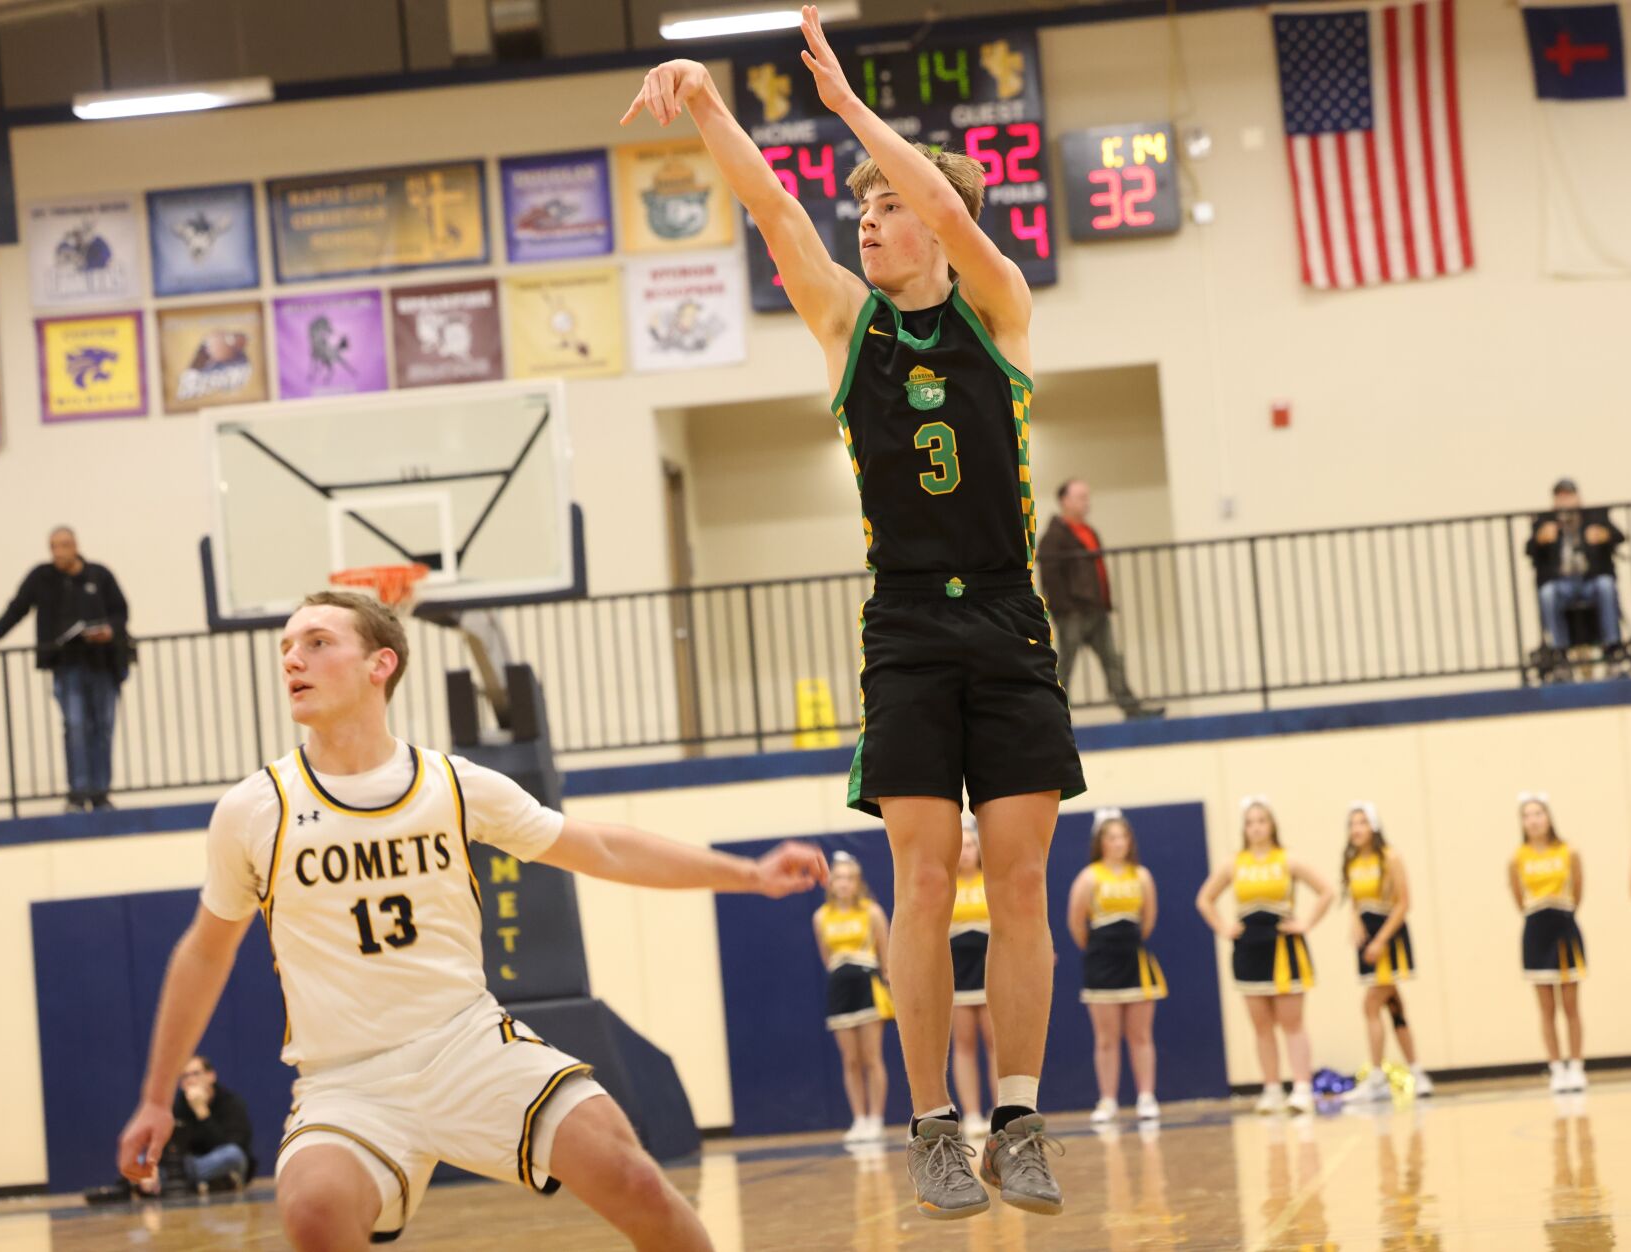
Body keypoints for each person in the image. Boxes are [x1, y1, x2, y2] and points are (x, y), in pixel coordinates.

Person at [620, 8, 1085, 1220]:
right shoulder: (846, 324)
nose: (865, 220)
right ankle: (934, 1125)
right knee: (924, 880)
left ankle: (1020, 1119)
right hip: (907, 628)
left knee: (1024, 878)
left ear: (934, 222)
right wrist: (714, 106)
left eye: (884, 206)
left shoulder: (998, 312)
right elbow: (774, 211)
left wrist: (849, 115)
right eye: (862, 208)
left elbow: (939, 203)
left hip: (1007, 618)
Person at [116, 591, 828, 1251]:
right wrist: (156, 1096)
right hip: (346, 1081)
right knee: (312, 1211)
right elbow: (204, 954)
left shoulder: (453, 785)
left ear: (379, 664)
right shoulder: (253, 810)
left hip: (469, 1048)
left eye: (316, 641)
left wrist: (748, 874)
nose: (292, 659)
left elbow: (602, 846)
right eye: (286, 647)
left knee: (632, 1175)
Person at [1195, 797, 1334, 1115]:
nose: (1256, 827)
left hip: (1284, 947)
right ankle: (1271, 1088)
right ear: (1245, 828)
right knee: (1261, 1025)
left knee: (1293, 1022)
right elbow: (1205, 899)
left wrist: (1306, 923)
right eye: (1250, 822)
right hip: (1248, 949)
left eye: (1262, 820)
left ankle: (1301, 1088)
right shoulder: (1234, 864)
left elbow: (1326, 891)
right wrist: (1223, 927)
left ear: (1272, 825)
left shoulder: (1288, 860)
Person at [0, 526, 130, 811]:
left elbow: (121, 611)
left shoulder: (99, 575)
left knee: (102, 727)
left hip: (102, 664)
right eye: (54, 546)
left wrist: (110, 631)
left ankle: (100, 794)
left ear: (76, 545)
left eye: (64, 545)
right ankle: (78, 793)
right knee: (75, 726)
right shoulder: (42, 577)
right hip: (67, 666)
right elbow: (18, 608)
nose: (59, 552)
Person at [1066, 808, 1166, 1124]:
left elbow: (1148, 920)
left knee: (1140, 1035)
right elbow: (1076, 924)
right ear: (1101, 841)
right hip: (1101, 963)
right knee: (1106, 1038)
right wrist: (1099, 948)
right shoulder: (1089, 876)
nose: (1118, 842)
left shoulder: (1142, 876)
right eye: (1111, 837)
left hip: (1135, 960)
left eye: (1123, 836)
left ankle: (1146, 1097)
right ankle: (1108, 1100)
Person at [1036, 481, 1163, 720]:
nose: (1087, 502)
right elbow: (1051, 577)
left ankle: (1131, 709)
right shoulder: (1054, 536)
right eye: (1081, 497)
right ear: (1065, 501)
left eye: (1087, 497)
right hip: (1073, 613)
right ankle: (1054, 713)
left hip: (1096, 610)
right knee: (1066, 664)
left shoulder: (1088, 531)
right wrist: (1063, 609)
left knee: (1112, 660)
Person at [1336, 803, 1432, 1103]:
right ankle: (1417, 1073)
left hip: (1389, 937)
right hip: (1367, 938)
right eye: (1352, 824)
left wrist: (1380, 941)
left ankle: (1377, 1078)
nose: (1357, 829)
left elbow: (1404, 903)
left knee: (1370, 1005)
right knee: (1394, 1006)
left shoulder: (1390, 857)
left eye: (1362, 822)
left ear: (1374, 826)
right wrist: (1354, 924)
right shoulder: (1351, 861)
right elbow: (1354, 899)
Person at [1508, 792, 1587, 1094]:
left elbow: (1578, 890)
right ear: (1522, 822)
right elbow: (1518, 897)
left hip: (1565, 928)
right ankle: (1556, 1067)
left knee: (1571, 1004)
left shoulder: (1569, 851)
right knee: (1546, 1007)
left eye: (1538, 813)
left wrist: (1564, 913)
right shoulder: (1517, 857)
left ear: (1548, 817)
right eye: (1527, 815)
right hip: (1535, 930)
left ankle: (1577, 1066)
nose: (1534, 820)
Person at [813, 851, 891, 1143]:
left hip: (868, 987)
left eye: (849, 878)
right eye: (838, 878)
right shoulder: (821, 917)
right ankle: (858, 1118)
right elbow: (826, 957)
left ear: (858, 882)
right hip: (839, 989)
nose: (843, 884)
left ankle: (876, 1119)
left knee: (872, 1057)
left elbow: (886, 957)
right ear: (830, 883)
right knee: (850, 1060)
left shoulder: (872, 912)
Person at [1524, 478, 1626, 667]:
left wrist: (1604, 535)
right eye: (1560, 496)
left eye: (1568, 495)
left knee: (1605, 585)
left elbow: (1619, 536)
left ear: (1577, 497)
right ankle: (1558, 649)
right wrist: (1541, 539)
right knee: (1547, 593)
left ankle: (1613, 646)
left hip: (1590, 580)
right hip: (1562, 583)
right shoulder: (1545, 520)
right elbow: (1528, 549)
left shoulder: (1595, 516)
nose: (1565, 501)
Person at [948, 819, 996, 1139]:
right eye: (960, 845)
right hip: (957, 973)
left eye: (969, 845)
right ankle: (972, 1113)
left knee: (996, 1043)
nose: (965, 851)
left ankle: (999, 1109)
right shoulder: (946, 886)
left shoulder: (991, 882)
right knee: (963, 1044)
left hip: (989, 970)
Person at [172, 1054, 254, 1191]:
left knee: (233, 1155)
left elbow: (232, 1146)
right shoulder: (178, 1107)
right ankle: (211, 1182)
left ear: (211, 1076)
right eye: (185, 1076)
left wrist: (202, 1112)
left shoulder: (231, 1103)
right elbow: (175, 1150)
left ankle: (190, 1183)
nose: (191, 1080)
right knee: (146, 1161)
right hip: (191, 1162)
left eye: (196, 1074)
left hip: (222, 1161)